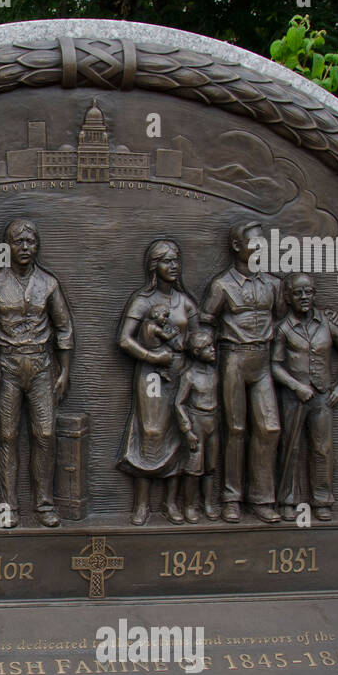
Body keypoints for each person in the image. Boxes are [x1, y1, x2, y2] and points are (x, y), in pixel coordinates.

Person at [0, 220, 73, 528]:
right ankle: (7, 506)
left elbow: (64, 328)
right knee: (8, 437)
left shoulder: (49, 284)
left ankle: (44, 504)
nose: (25, 247)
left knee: (44, 435)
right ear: (8, 247)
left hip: (42, 366)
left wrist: (65, 371)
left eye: (30, 241)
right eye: (19, 242)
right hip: (8, 367)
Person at [199, 220, 286, 523]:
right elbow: (205, 323)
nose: (259, 247)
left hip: (262, 362)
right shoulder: (221, 285)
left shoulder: (274, 285)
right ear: (237, 246)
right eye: (254, 242)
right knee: (235, 430)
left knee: (270, 428)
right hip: (233, 359)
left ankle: (262, 498)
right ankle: (231, 498)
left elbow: (283, 323)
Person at [116, 238, 198, 525]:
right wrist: (152, 356)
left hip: (180, 373)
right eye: (166, 261)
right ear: (154, 266)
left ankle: (171, 502)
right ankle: (141, 503)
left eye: (176, 260)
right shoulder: (143, 301)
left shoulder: (186, 303)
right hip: (151, 375)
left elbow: (198, 338)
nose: (173, 266)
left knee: (176, 432)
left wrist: (186, 349)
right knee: (150, 431)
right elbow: (124, 339)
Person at [271, 271, 338, 522]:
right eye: (297, 293)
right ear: (288, 297)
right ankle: (287, 500)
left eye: (308, 291)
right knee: (291, 449)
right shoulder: (283, 329)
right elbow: (274, 365)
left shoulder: (328, 325)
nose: (304, 297)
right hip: (294, 398)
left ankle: (322, 500)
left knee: (322, 449)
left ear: (314, 293)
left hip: (322, 397)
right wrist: (295, 385)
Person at [174, 327, 222, 522]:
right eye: (207, 347)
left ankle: (208, 503)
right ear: (196, 352)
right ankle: (189, 506)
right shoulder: (189, 375)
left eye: (212, 346)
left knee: (210, 466)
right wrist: (187, 431)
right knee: (194, 470)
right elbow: (179, 403)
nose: (213, 350)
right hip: (196, 423)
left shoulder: (214, 373)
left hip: (213, 422)